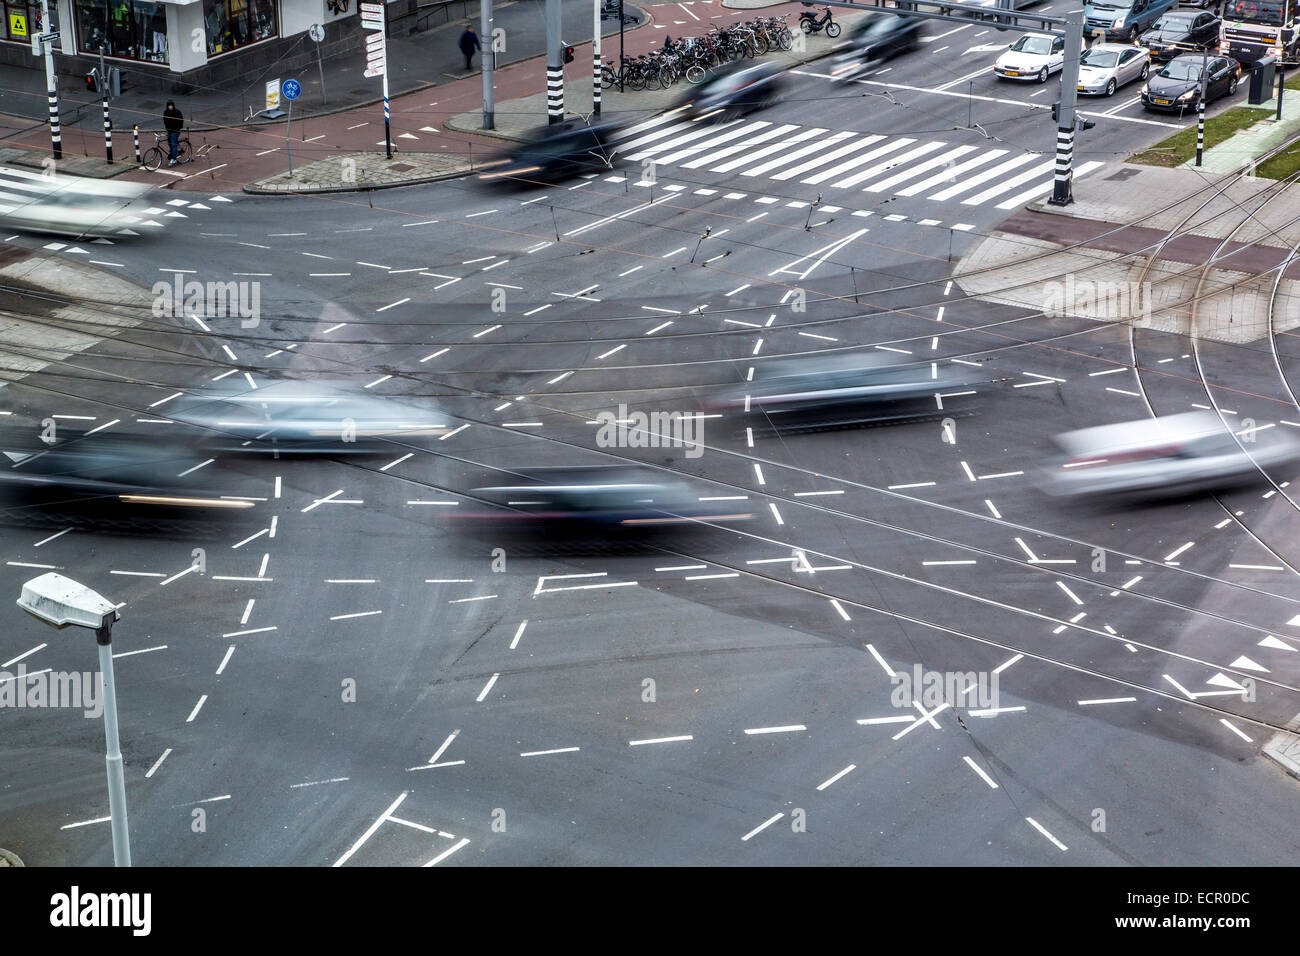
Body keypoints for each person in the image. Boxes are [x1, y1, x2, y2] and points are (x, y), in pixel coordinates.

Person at [162, 100, 184, 166]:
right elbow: (164, 120)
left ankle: (174, 159)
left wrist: (178, 128)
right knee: (169, 143)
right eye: (169, 106)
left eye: (171, 105)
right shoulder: (166, 112)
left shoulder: (177, 112)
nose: (170, 107)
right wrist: (167, 127)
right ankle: (173, 153)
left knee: (174, 144)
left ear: (173, 106)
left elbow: (181, 120)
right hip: (169, 130)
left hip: (176, 130)